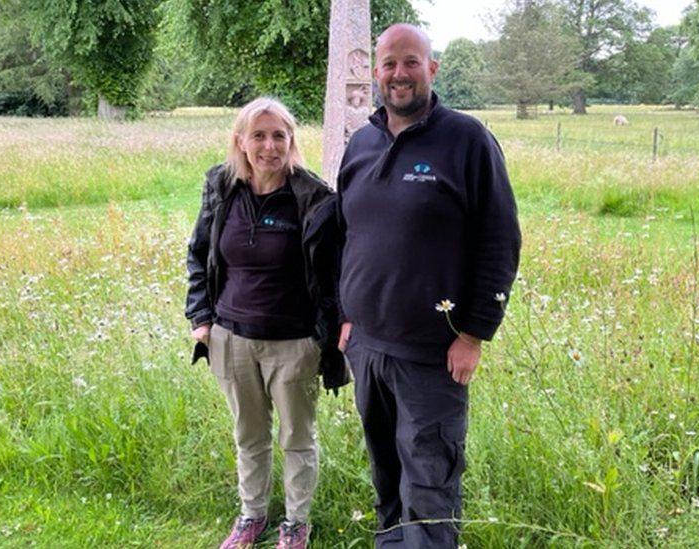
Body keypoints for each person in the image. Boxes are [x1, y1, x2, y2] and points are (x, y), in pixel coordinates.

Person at [336, 23, 521, 548]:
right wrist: (345, 317)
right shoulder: (361, 143)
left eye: (411, 62)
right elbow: (344, 234)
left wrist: (473, 333)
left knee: (430, 484)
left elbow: (500, 240)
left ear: (432, 69)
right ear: (376, 73)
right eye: (390, 64)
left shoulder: (467, 140)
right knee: (387, 476)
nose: (400, 74)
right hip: (368, 349)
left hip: (433, 356)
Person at [185, 97, 347, 549]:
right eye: (259, 135)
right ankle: (251, 515)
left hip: (294, 343)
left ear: (291, 140)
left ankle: (296, 524)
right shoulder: (221, 188)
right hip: (231, 339)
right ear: (241, 141)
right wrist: (201, 317)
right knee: (249, 436)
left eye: (279, 136)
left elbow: (335, 274)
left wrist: (331, 333)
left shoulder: (313, 198)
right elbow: (199, 254)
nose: (270, 146)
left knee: (297, 438)